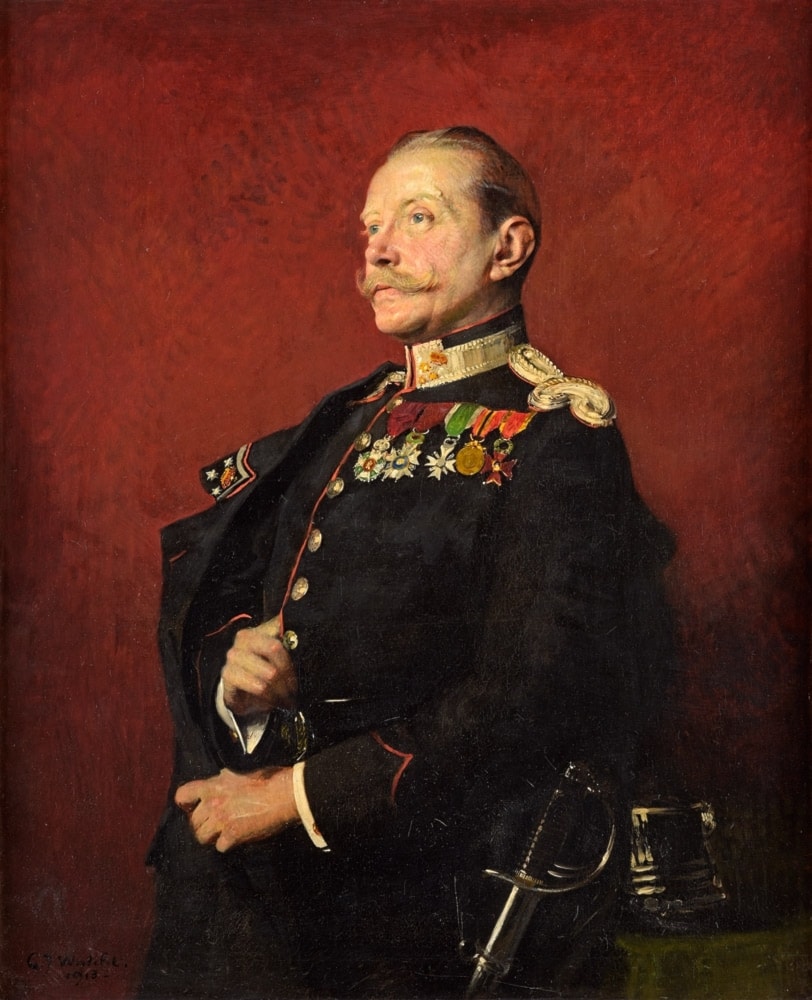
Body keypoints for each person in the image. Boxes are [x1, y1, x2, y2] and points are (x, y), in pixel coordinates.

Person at [139, 126, 675, 999]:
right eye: (370, 227)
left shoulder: (555, 438)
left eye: (417, 218)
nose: (377, 253)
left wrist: (292, 797)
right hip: (263, 878)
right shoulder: (347, 420)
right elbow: (220, 592)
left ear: (507, 248)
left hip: (427, 898)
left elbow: (527, 699)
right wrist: (242, 687)